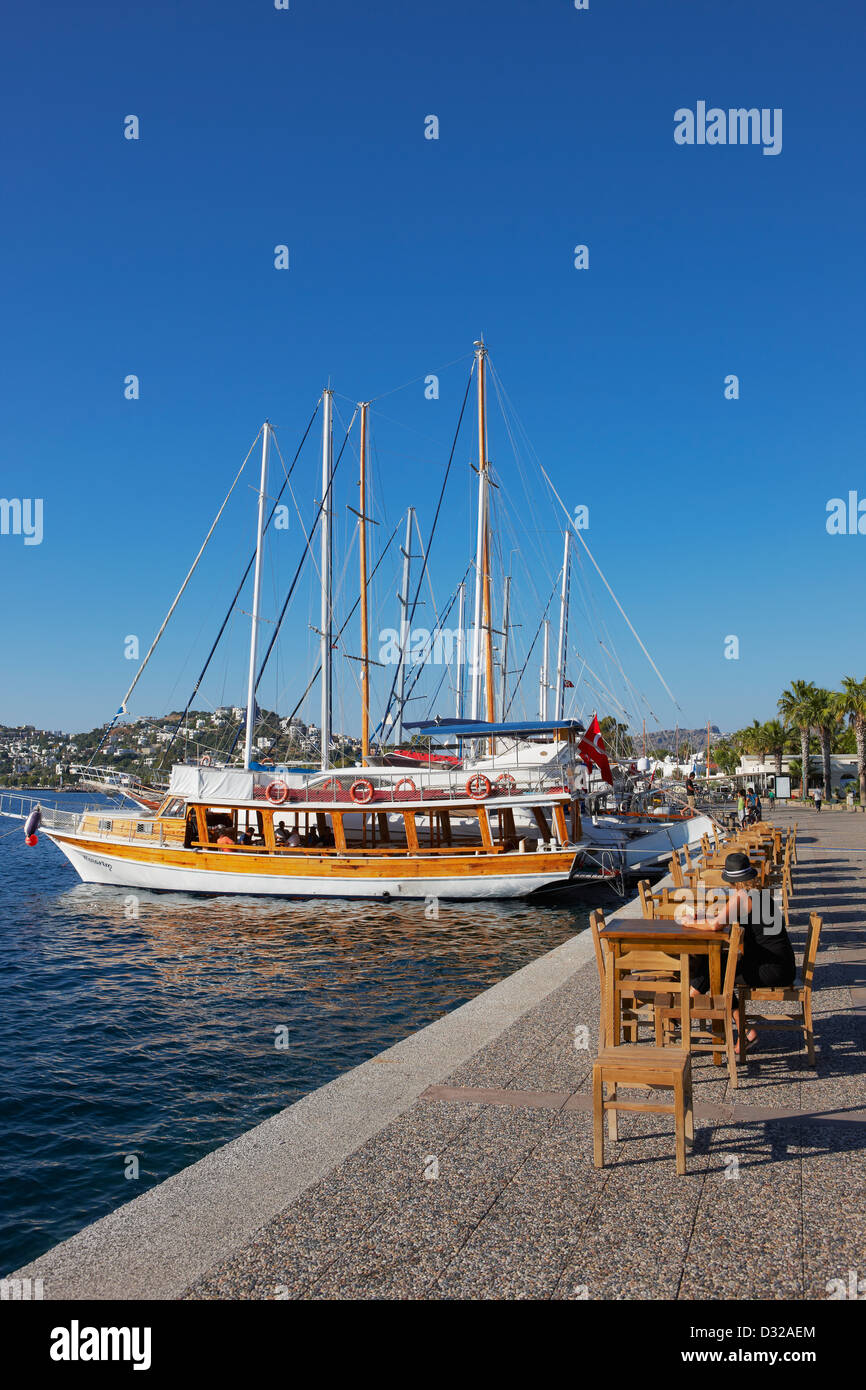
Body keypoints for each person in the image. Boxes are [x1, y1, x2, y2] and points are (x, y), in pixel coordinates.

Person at [677, 851, 796, 1054]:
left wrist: (690, 923)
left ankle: (684, 1007)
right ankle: (745, 1031)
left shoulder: (742, 896)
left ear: (732, 881)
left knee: (717, 970)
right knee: (719, 965)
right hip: (781, 965)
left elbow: (716, 925)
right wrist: (704, 917)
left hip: (770, 969)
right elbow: (723, 916)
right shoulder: (760, 895)